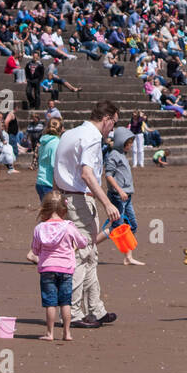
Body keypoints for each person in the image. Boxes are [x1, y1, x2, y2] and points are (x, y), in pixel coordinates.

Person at [52, 99, 121, 329]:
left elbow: (58, 168)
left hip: (65, 196)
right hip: (80, 198)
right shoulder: (92, 137)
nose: (113, 128)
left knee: (90, 253)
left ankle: (95, 309)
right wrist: (107, 203)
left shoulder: (69, 133)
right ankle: (73, 312)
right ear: (106, 119)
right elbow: (87, 174)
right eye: (114, 123)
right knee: (82, 255)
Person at [26, 191, 88, 341]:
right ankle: (67, 333)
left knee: (50, 303)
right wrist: (77, 244)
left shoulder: (40, 228)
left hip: (47, 268)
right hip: (66, 269)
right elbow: (82, 243)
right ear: (64, 210)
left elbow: (35, 250)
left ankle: (50, 333)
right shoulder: (69, 227)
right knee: (65, 302)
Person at [101, 127, 144, 266]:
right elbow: (108, 175)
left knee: (132, 225)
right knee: (116, 228)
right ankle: (88, 246)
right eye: (129, 142)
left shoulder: (122, 154)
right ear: (121, 142)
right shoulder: (113, 155)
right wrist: (120, 190)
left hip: (127, 197)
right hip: (118, 197)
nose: (131, 145)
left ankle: (128, 257)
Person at [35, 116, 63, 201]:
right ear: (61, 129)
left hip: (40, 181)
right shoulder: (56, 143)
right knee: (53, 212)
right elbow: (54, 166)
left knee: (47, 212)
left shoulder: (44, 141)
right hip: (49, 183)